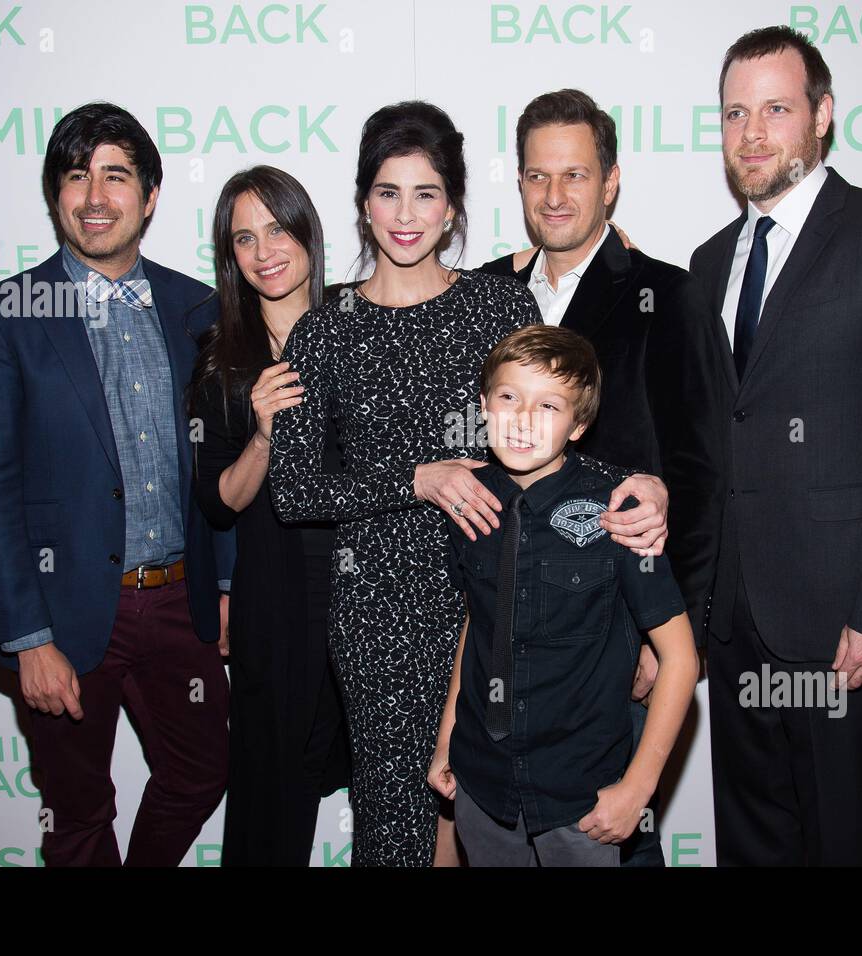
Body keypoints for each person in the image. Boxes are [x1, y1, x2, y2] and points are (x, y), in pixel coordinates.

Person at [267, 101, 671, 867]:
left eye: (427, 194)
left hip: (495, 605)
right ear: (362, 202)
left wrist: (643, 485)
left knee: (492, 826)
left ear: (453, 205)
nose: (406, 214)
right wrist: (417, 477)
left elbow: (556, 428)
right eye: (388, 192)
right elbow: (295, 490)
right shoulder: (324, 329)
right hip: (377, 615)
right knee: (392, 829)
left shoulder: (497, 303)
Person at [688, 27, 862, 865]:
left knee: (837, 846)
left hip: (842, 629)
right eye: (736, 113)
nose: (754, 133)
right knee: (751, 846)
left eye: (776, 108)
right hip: (734, 623)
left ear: (822, 116)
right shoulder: (708, 264)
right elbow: (712, 440)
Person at [0, 101, 231, 866]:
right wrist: (27, 636)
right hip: (65, 615)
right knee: (78, 808)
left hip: (179, 602)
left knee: (203, 770)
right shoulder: (5, 315)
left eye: (116, 175)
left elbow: (221, 461)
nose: (96, 196)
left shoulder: (196, 308)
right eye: (77, 177)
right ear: (54, 196)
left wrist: (228, 582)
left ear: (150, 195)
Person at [480, 89, 722, 866]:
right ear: (517, 182)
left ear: (610, 181)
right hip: (504, 623)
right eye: (537, 176)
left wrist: (669, 636)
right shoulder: (488, 294)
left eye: (575, 175)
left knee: (602, 835)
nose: (555, 196)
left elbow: (705, 470)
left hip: (614, 628)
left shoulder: (669, 295)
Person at [427, 324, 699, 866]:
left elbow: (680, 660)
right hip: (484, 783)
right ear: (483, 405)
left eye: (549, 406)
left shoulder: (618, 512)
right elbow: (479, 627)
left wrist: (637, 790)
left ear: (579, 425)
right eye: (509, 397)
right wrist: (447, 739)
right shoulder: (470, 504)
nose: (524, 420)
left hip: (583, 796)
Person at [189, 166, 351, 866]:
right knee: (269, 801)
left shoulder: (360, 321)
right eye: (245, 239)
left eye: (278, 229)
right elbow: (217, 500)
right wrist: (260, 433)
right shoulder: (221, 359)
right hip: (277, 601)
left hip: (371, 595)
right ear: (231, 257)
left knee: (391, 787)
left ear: (309, 232)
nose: (265, 251)